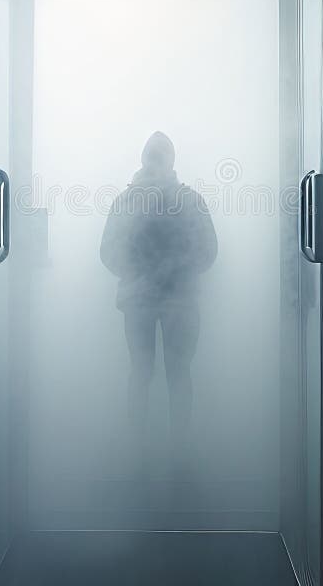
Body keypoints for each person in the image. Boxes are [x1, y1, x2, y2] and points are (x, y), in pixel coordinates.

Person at [100, 132, 217, 460]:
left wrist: (139, 273)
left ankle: (148, 448)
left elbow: (108, 252)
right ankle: (167, 448)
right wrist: (174, 273)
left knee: (150, 371)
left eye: (156, 156)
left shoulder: (126, 201)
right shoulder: (189, 201)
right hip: (173, 300)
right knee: (168, 371)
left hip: (144, 299)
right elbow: (208, 252)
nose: (154, 163)